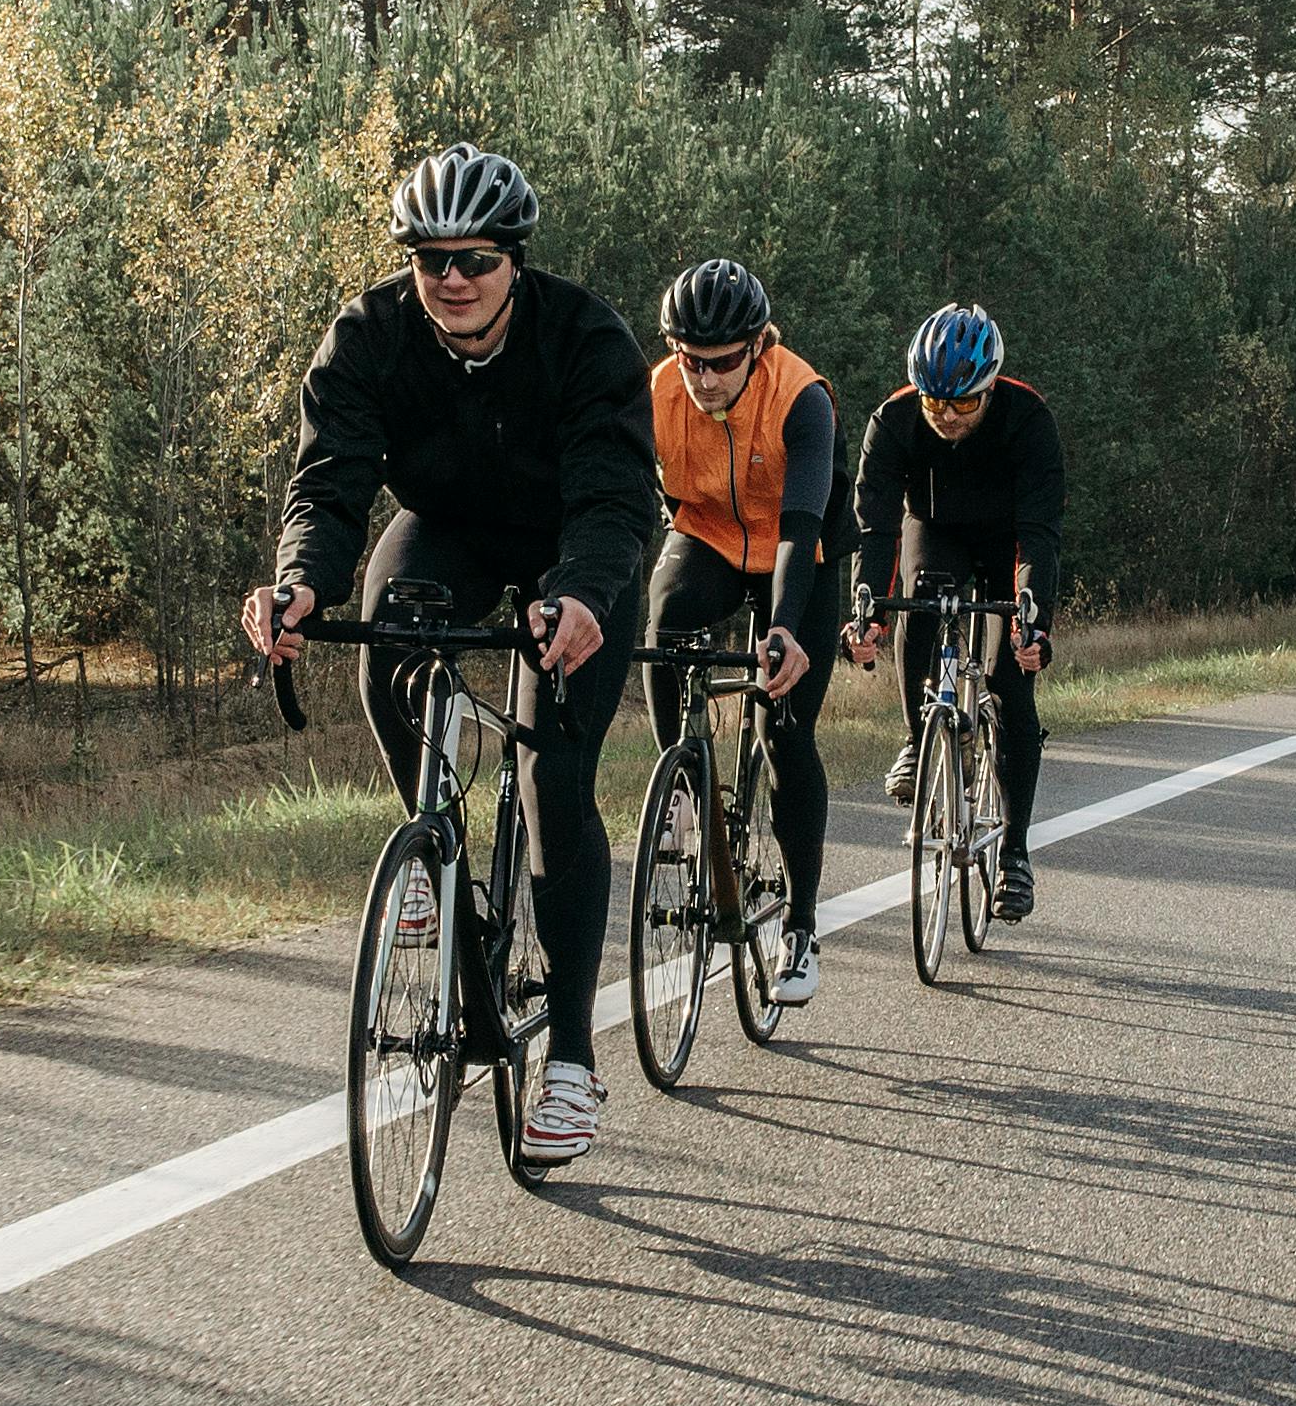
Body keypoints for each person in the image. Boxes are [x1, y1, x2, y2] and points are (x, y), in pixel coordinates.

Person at [239, 145, 663, 1160]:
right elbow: (330, 486)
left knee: (550, 780)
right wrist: (299, 582)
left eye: (475, 257)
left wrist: (583, 595)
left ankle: (568, 1058)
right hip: (450, 532)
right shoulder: (368, 337)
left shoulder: (587, 336)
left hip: (574, 547)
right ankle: (428, 844)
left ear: (514, 258)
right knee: (384, 639)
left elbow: (614, 496)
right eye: (431, 260)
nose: (453, 279)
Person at [639, 257, 844, 1006]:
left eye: (721, 362)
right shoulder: (658, 393)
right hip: (712, 539)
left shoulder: (801, 397)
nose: (703, 378)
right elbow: (622, 500)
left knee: (784, 728)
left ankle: (800, 927)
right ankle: (681, 787)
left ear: (758, 345)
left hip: (802, 549)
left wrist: (785, 631)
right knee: (663, 621)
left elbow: (798, 528)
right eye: (688, 358)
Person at [845, 301, 1064, 922]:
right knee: (920, 592)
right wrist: (865, 613)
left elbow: (1041, 533)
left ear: (990, 388)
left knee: (1011, 686)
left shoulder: (1028, 419)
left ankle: (1016, 854)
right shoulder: (892, 420)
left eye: (963, 403)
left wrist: (1034, 619)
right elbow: (875, 529)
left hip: (1006, 542)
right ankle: (920, 736)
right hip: (933, 528)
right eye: (934, 402)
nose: (945, 416)